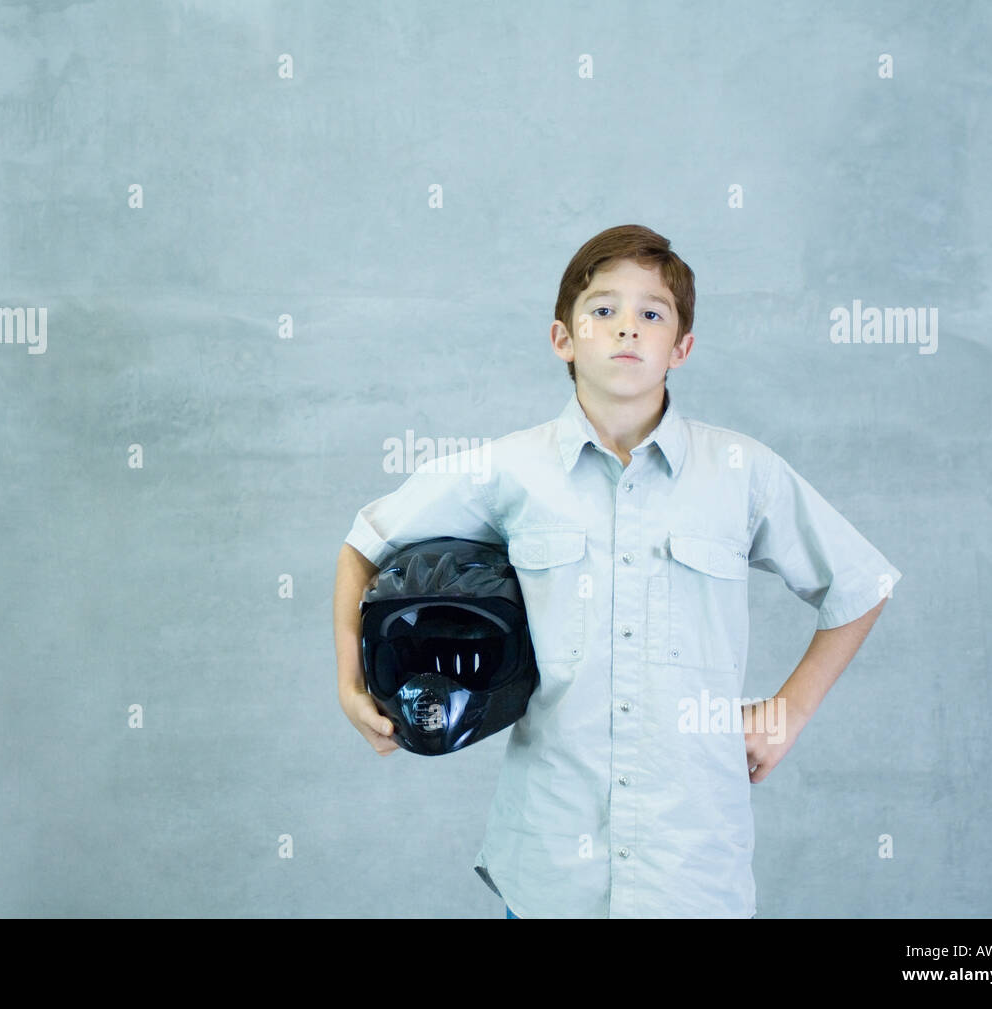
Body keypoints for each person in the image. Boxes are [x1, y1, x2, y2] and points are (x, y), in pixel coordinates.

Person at [333, 224, 902, 918]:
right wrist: (351, 683)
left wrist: (789, 711)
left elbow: (859, 582)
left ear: (681, 347)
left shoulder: (740, 471)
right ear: (562, 339)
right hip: (549, 873)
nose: (627, 326)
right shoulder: (510, 471)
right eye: (603, 309)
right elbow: (366, 541)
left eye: (651, 313)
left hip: (693, 874)